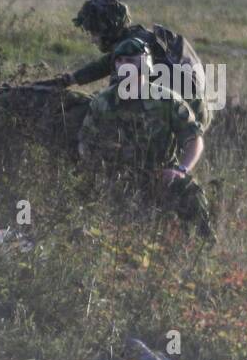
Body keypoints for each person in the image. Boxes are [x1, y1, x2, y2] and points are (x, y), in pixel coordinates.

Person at [76, 39, 215, 241]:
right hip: (115, 177)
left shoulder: (166, 100)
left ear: (144, 64)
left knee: (189, 191)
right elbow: (86, 142)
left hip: (160, 176)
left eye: (130, 61)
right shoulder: (103, 102)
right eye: (119, 60)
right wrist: (98, 169)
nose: (123, 65)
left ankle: (202, 247)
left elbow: (194, 139)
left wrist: (181, 170)